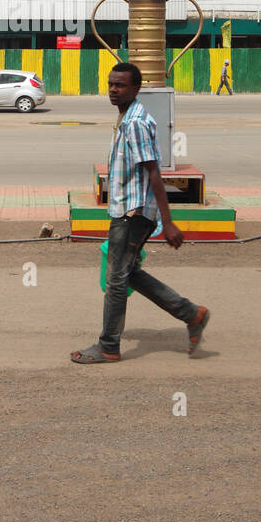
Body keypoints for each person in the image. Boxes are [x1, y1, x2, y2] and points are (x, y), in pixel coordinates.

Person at [70, 62, 210, 364]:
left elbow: (155, 173)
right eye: (110, 84)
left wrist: (168, 222)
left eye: (120, 85)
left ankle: (108, 346)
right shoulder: (127, 117)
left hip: (132, 214)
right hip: (128, 210)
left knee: (116, 280)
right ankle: (192, 313)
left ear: (136, 88)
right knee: (129, 274)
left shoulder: (135, 122)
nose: (113, 90)